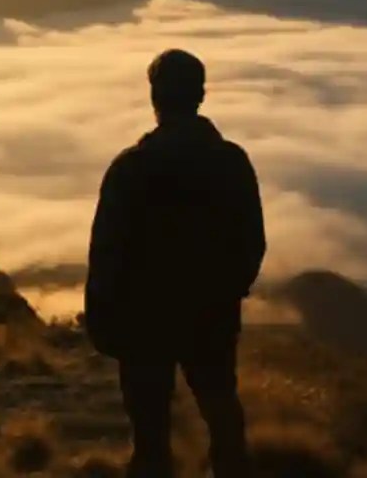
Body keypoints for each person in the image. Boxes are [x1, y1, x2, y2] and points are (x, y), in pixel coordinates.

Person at [85, 49, 266, 478]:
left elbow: (107, 251)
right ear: (201, 94)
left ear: (155, 97)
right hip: (211, 317)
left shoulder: (131, 168)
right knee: (223, 416)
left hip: (144, 321)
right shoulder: (230, 162)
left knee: (150, 435)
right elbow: (252, 243)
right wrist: (226, 292)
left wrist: (104, 323)